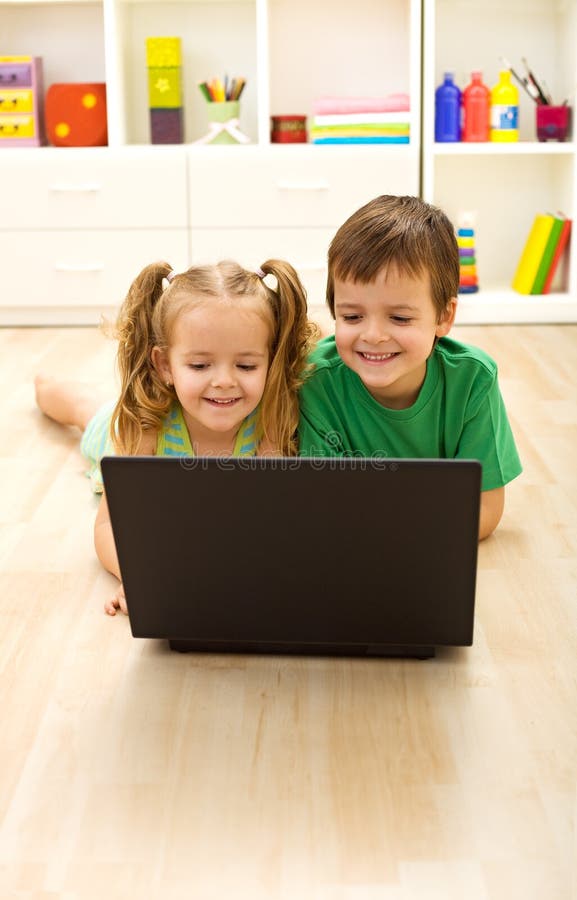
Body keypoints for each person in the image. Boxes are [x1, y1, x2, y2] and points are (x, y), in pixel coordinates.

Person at [36, 258, 318, 614]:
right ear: (165, 365)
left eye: (246, 365)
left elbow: (273, 518)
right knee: (85, 411)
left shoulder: (270, 422)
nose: (224, 381)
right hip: (119, 430)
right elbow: (109, 525)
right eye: (200, 365)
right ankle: (44, 384)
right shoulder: (144, 427)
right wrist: (138, 578)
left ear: (270, 361)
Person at [297, 194, 522, 540]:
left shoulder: (473, 379)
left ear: (444, 317)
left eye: (399, 318)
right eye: (352, 316)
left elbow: (486, 508)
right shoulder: (316, 379)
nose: (372, 336)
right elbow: (319, 504)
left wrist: (405, 534)